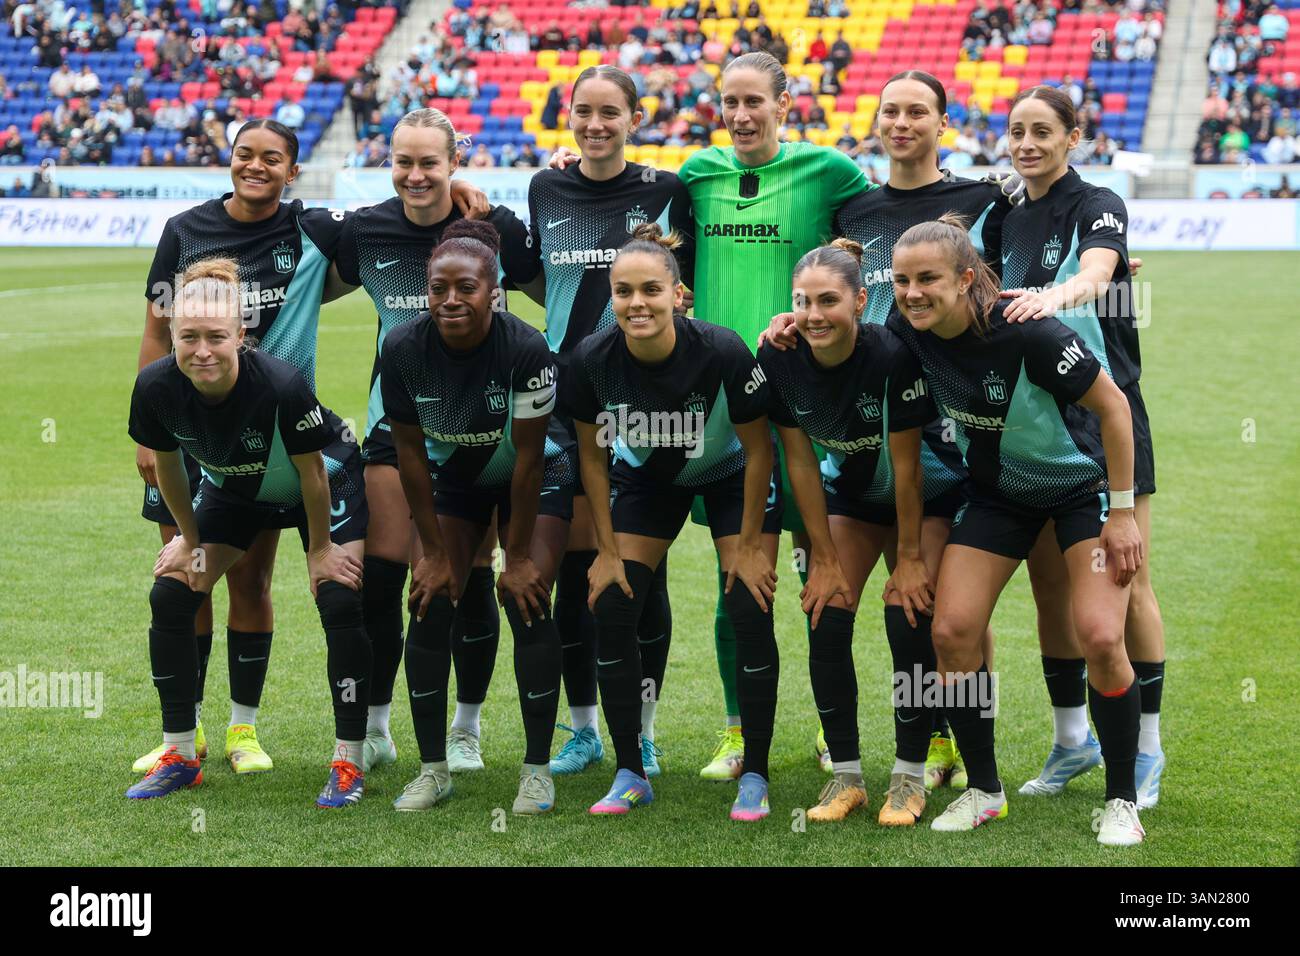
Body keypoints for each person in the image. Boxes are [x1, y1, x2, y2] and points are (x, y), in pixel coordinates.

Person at [760, 70, 1014, 791]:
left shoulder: (982, 199)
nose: (901, 122)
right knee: (840, 606)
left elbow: (1034, 233)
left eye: (917, 111)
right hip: (858, 424)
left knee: (942, 619)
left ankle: (949, 739)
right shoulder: (855, 202)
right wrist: (799, 319)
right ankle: (854, 744)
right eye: (889, 110)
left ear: (943, 120)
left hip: (939, 433)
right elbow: (825, 283)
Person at [887, 216, 1147, 846]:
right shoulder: (904, 330)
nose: (913, 292)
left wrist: (1121, 513)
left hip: (1080, 493)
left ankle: (1121, 799)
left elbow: (1113, 409)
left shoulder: (1028, 331)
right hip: (1001, 496)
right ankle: (985, 789)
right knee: (951, 633)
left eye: (928, 279)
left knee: (1101, 637)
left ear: (966, 279)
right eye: (901, 280)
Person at [133, 121, 349, 780]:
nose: (255, 166)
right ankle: (185, 729)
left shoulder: (309, 230)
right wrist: (150, 436)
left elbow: (400, 223)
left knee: (251, 580)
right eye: (244, 154)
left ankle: (242, 730)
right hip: (189, 426)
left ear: (292, 170)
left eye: (272, 158)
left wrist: (456, 184)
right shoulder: (185, 227)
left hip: (273, 440)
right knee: (185, 572)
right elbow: (155, 325)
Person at [126, 258, 372, 808]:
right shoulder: (155, 386)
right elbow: (168, 466)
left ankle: (349, 760)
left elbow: (312, 475)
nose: (203, 350)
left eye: (217, 336)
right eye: (188, 337)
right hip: (237, 488)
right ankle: (180, 754)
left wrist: (320, 551)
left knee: (338, 597)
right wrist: (189, 541)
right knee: (172, 593)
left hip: (325, 478)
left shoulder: (280, 385)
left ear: (241, 335)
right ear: (172, 335)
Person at [327, 108, 528, 776]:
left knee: (468, 581)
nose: (416, 175)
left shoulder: (487, 228)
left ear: (452, 162)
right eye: (403, 162)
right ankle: (378, 727)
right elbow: (294, 257)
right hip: (397, 421)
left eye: (429, 163)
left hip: (479, 429)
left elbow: (558, 277)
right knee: (384, 581)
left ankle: (465, 730)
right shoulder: (362, 229)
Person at [566, 224, 782, 820]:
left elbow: (760, 448)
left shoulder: (721, 349)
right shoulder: (590, 359)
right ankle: (630, 771)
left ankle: (756, 773)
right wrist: (606, 551)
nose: (637, 303)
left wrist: (743, 547)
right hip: (648, 479)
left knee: (747, 601)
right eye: (623, 291)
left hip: (728, 474)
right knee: (613, 601)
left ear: (677, 293)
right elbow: (590, 453)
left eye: (651, 290)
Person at [998, 85, 1166, 810]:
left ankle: (1148, 750)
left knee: (1126, 589)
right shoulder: (1003, 209)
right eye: (1016, 130)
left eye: (1043, 130)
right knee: (1050, 586)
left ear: (1075, 135)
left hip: (1105, 416)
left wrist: (1053, 296)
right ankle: (1074, 742)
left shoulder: (1098, 202)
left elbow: (1099, 271)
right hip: (1030, 421)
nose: (1028, 142)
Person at [526, 65, 695, 777]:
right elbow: (540, 276)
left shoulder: (666, 190)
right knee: (574, 572)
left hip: (648, 405)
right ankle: (585, 728)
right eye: (583, 112)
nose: (595, 125)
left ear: (635, 116)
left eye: (610, 113)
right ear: (570, 116)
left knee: (635, 576)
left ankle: (643, 728)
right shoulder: (545, 185)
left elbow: (689, 287)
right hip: (574, 401)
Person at [382, 219, 574, 814]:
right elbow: (410, 455)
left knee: (527, 597)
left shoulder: (526, 349)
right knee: (431, 599)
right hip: (456, 480)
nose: (450, 300)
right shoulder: (403, 348)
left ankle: (537, 770)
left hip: (533, 474)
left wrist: (515, 558)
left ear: (492, 291)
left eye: (466, 288)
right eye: (439, 288)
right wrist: (437, 553)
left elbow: (526, 460)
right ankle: (434, 769)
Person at [759, 238, 946, 824]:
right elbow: (800, 463)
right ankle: (845, 778)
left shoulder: (891, 357)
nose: (814, 315)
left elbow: (910, 470)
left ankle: (910, 779)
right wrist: (822, 554)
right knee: (827, 608)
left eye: (829, 301)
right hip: (853, 497)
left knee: (907, 611)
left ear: (861, 301)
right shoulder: (779, 358)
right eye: (803, 301)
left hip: (925, 495)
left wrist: (911, 557)